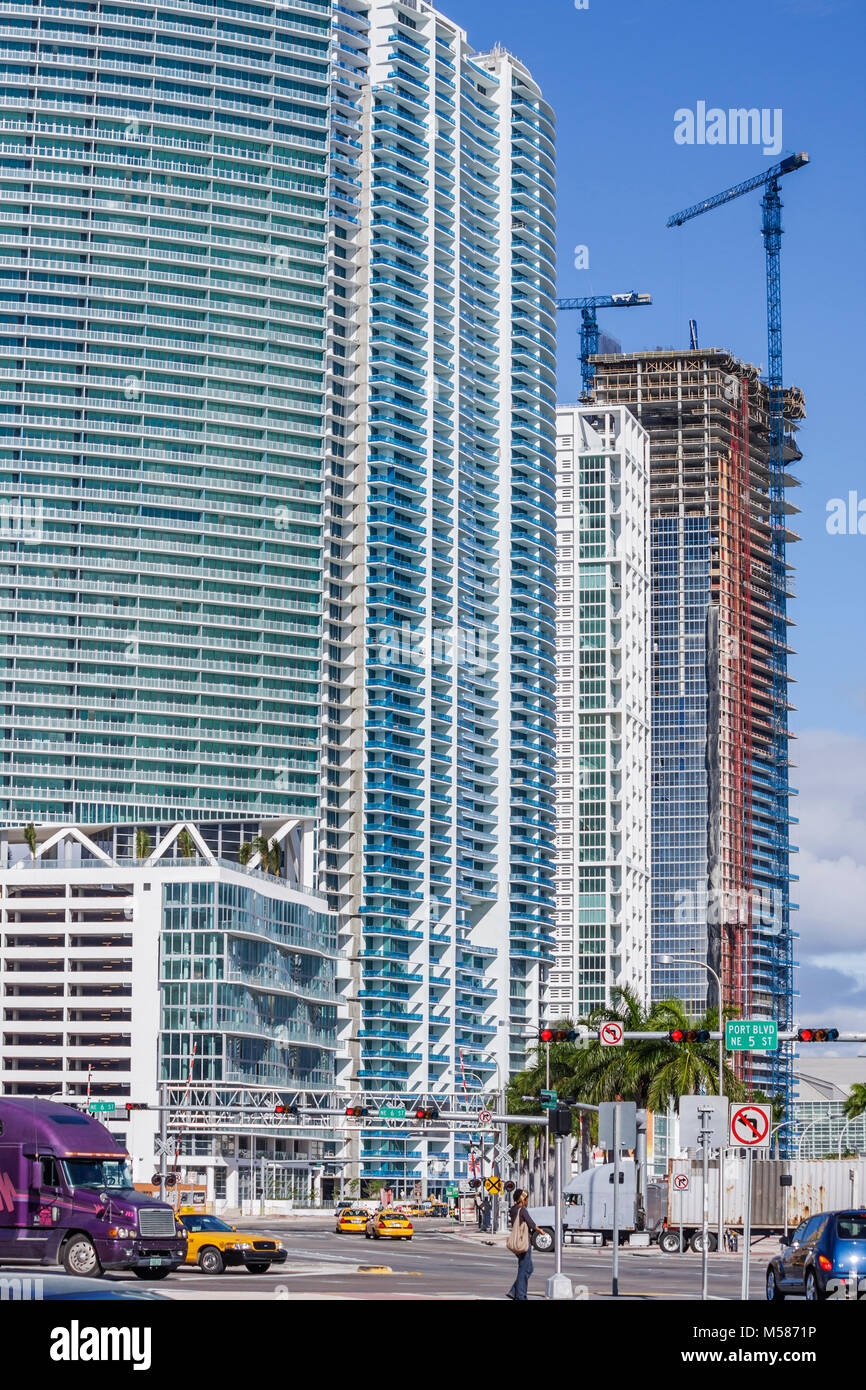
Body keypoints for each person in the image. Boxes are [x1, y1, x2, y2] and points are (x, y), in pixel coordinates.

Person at [507, 1190, 538, 1300]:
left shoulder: (513, 1210)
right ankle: (520, 1296)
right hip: (524, 1242)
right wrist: (540, 1230)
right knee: (524, 1269)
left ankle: (514, 1291)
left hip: (517, 1242)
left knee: (528, 1268)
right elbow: (531, 1223)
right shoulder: (522, 1210)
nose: (527, 1201)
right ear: (522, 1199)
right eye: (526, 1199)